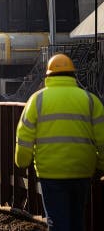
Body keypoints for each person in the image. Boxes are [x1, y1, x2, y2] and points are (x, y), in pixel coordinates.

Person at [15, 53, 104, 231]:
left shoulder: (36, 100)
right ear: (73, 75)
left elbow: (24, 138)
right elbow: (102, 140)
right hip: (82, 171)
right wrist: (100, 166)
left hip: (51, 173)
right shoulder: (90, 100)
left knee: (57, 221)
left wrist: (22, 162)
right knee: (77, 219)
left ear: (47, 76)